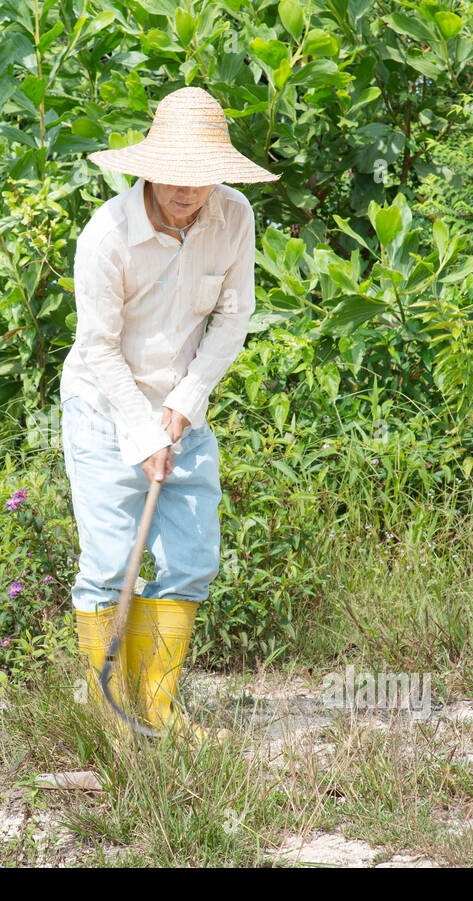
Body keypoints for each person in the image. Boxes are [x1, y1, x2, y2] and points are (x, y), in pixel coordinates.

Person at [60, 86, 279, 742]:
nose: (189, 189)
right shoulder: (107, 237)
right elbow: (98, 348)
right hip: (105, 409)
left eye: (202, 175)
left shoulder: (234, 217)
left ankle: (157, 709)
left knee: (191, 557)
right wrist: (141, 428)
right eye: (176, 175)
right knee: (106, 563)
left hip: (183, 408)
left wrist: (181, 409)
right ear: (149, 168)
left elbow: (233, 318)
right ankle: (108, 714)